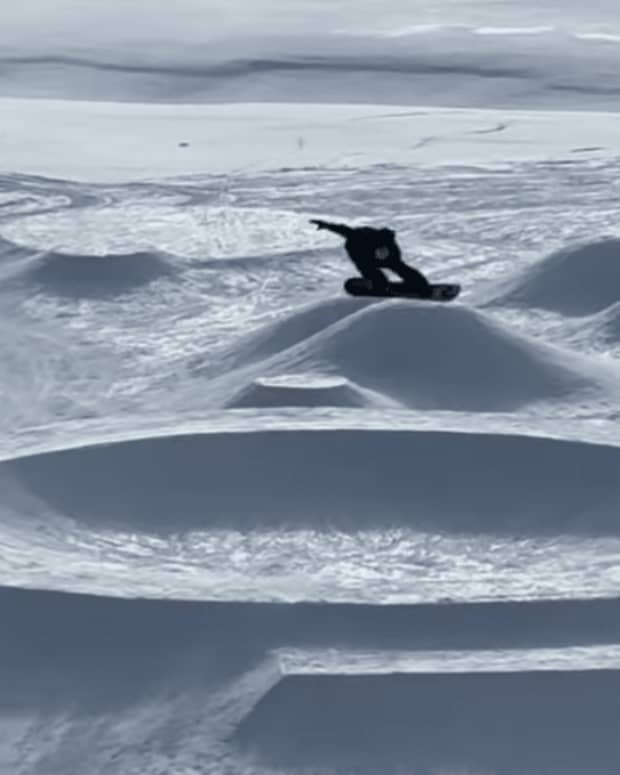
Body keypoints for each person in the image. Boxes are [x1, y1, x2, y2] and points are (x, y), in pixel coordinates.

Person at [310, 218, 432, 296]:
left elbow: (402, 267)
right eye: (381, 253)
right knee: (370, 270)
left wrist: (421, 284)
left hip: (380, 253)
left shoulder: (392, 250)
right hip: (359, 252)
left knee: (399, 266)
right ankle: (378, 285)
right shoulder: (360, 238)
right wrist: (327, 226)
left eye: (384, 252)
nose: (383, 254)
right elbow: (344, 230)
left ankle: (419, 284)